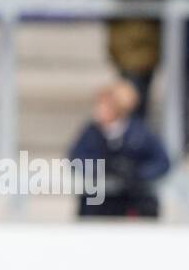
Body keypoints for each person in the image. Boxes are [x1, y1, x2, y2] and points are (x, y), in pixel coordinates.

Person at [69, 80, 169, 218]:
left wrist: (137, 173)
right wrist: (99, 169)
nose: (98, 109)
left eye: (103, 105)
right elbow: (76, 158)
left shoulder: (140, 133)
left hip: (133, 201)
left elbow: (161, 162)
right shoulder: (91, 132)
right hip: (98, 202)